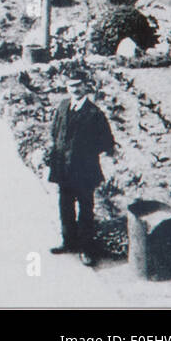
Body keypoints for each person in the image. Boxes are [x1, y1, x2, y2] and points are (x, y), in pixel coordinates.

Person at [47, 76, 116, 266]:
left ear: (85, 86)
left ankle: (86, 249)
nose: (75, 89)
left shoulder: (94, 113)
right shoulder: (63, 106)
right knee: (65, 207)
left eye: (78, 85)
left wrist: (85, 152)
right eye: (71, 86)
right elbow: (55, 131)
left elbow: (107, 142)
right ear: (67, 87)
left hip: (84, 171)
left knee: (86, 210)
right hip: (64, 169)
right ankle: (68, 242)